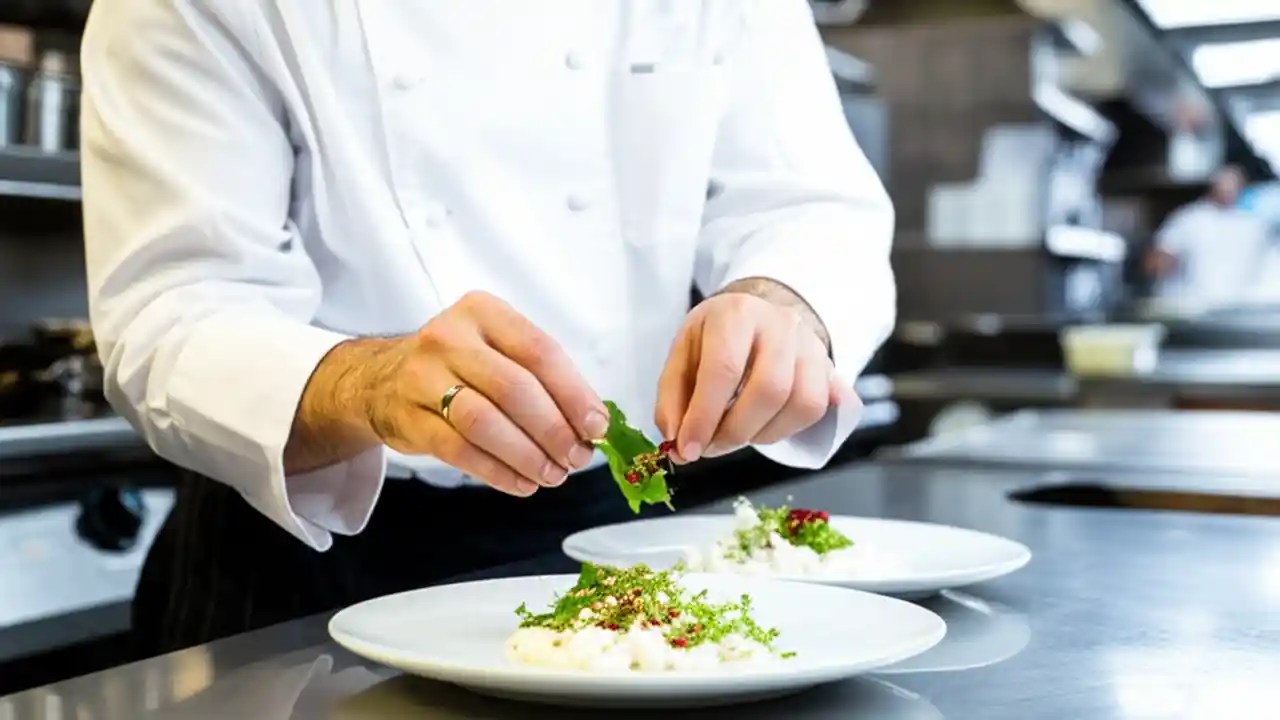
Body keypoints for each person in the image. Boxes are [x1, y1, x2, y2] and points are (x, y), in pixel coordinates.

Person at [80, 1, 895, 654]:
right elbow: (173, 306)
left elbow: (808, 203)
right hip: (303, 564)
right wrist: (366, 384)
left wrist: (781, 303)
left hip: (602, 542)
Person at [1145, 165, 1271, 307]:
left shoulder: (1252, 223)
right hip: (1192, 306)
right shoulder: (1188, 218)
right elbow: (1158, 259)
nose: (1229, 191)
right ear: (1213, 186)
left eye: (1234, 185)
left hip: (1237, 305)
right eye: (1225, 184)